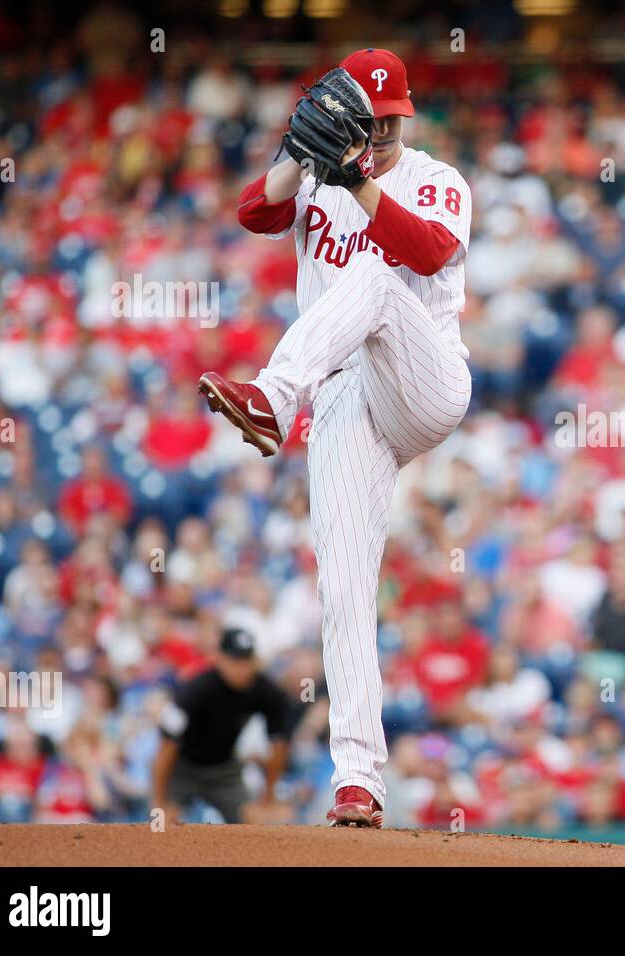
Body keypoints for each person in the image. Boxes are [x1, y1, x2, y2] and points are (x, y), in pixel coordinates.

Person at [198, 49, 472, 827]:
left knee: (381, 278)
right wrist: (296, 151)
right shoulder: (318, 177)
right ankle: (359, 779)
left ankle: (275, 401)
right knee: (344, 586)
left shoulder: (435, 178)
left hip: (424, 377)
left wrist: (357, 174)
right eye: (370, 121)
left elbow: (423, 252)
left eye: (393, 121)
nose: (383, 132)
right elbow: (254, 213)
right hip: (345, 395)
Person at [151, 628, 292, 825]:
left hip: (225, 771)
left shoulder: (266, 691)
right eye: (236, 661)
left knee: (254, 823)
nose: (244, 669)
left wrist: (267, 799)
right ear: (220, 659)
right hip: (181, 769)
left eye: (248, 660)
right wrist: (160, 802)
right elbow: (167, 744)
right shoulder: (196, 689)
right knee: (160, 824)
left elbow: (280, 744)